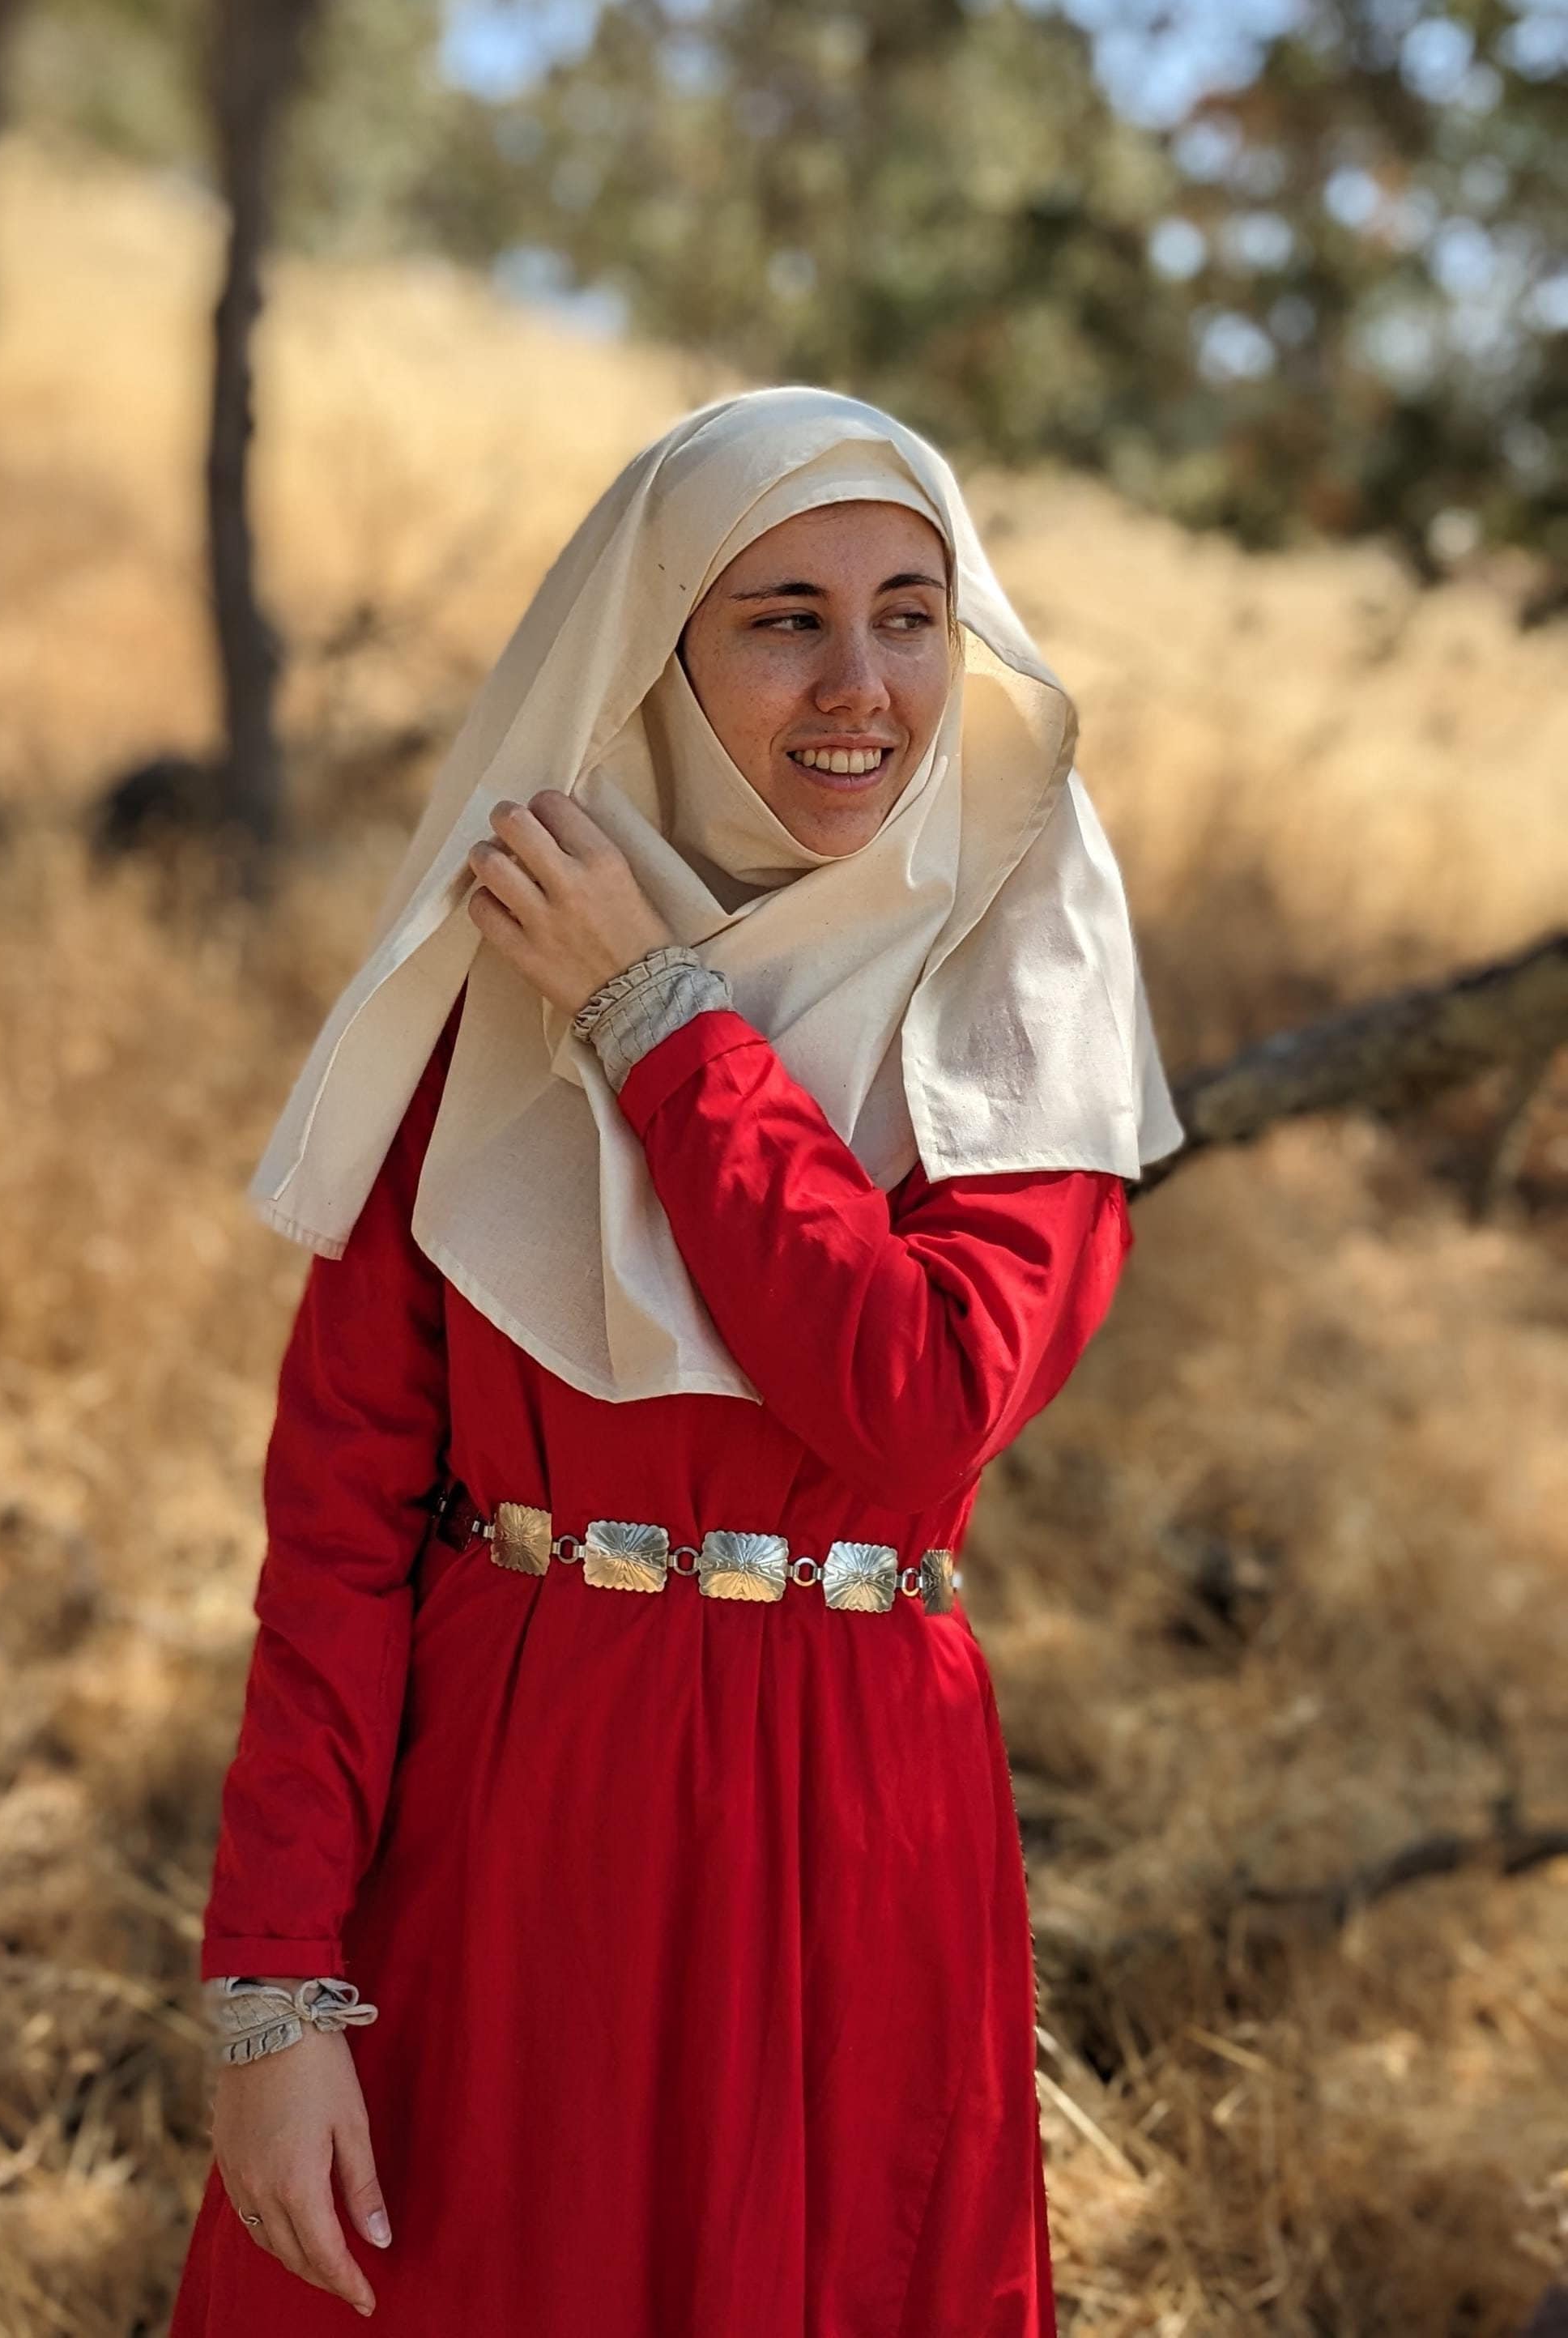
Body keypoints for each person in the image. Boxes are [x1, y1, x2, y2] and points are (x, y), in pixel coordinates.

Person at [168, 386, 1182, 2337]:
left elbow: (912, 1403)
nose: (860, 683)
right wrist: (275, 1987)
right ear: (658, 650)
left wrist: (658, 1017)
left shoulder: (1025, 973)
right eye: (783, 618)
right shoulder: (507, 954)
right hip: (502, 1830)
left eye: (909, 615)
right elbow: (341, 1522)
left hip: (855, 1834)